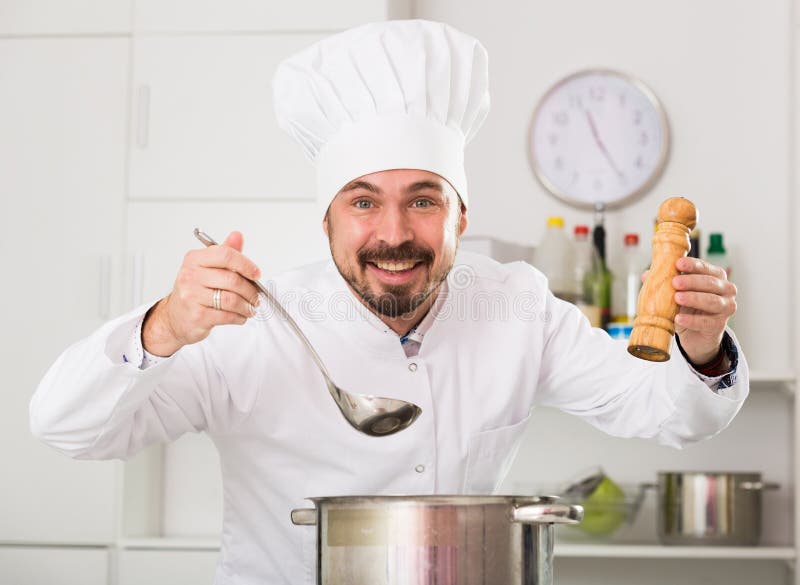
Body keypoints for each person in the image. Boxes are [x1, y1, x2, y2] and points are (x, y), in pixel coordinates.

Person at [30, 20, 746, 585]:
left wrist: (703, 344)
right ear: (327, 221)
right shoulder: (246, 324)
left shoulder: (518, 307)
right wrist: (161, 327)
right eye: (364, 201)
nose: (395, 234)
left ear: (462, 216)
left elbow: (670, 412)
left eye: (424, 201)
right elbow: (66, 427)